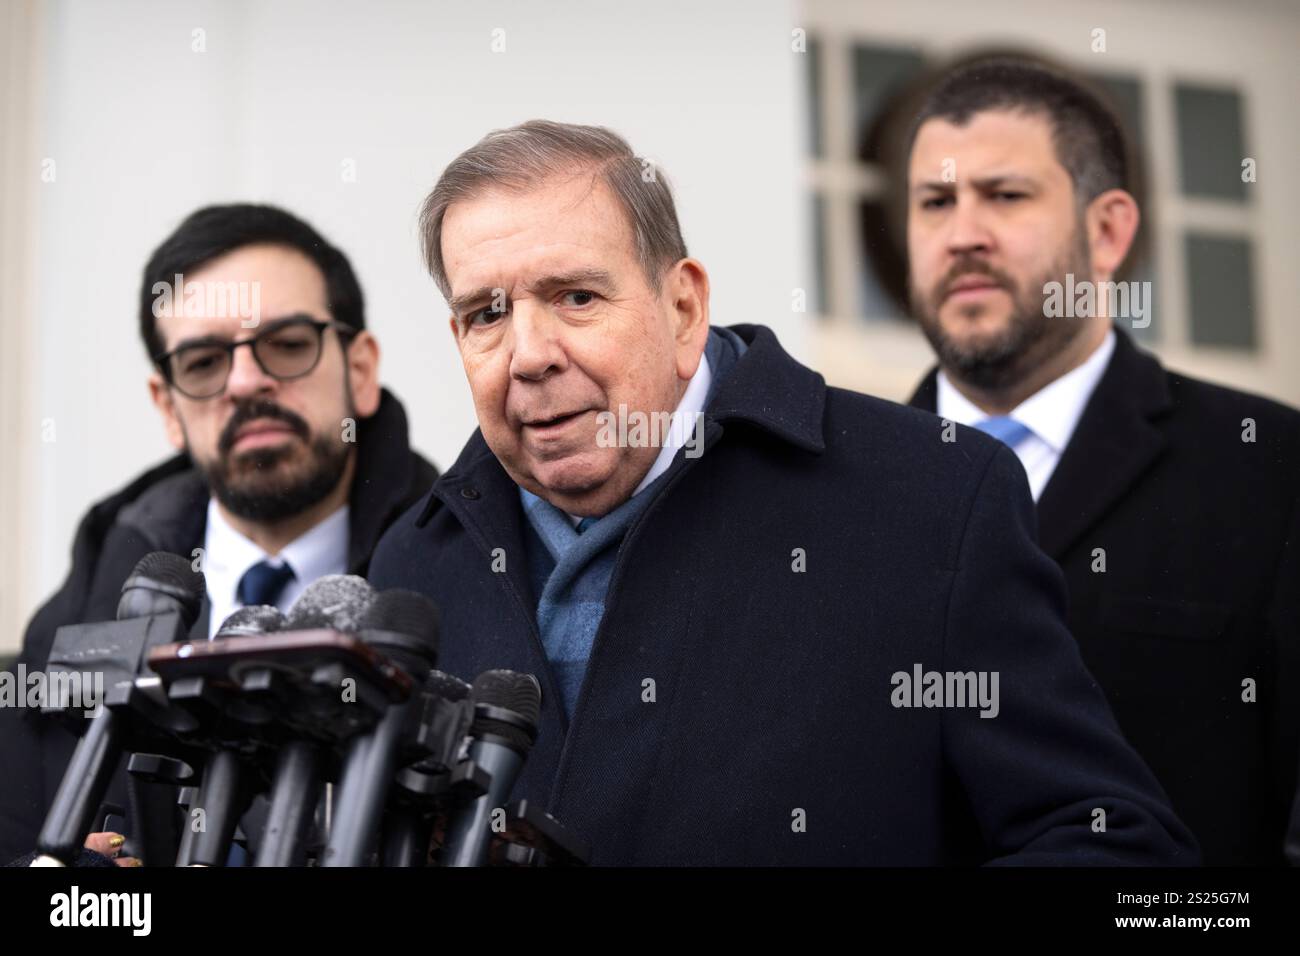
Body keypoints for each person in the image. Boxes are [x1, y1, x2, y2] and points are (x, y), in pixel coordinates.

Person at [367, 120, 1198, 865]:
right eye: (486, 314)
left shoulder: (932, 497)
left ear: (683, 306)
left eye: (575, 297)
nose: (528, 353)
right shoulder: (413, 565)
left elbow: (1113, 843)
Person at [902, 57, 1300, 865]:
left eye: (1005, 196)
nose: (963, 233)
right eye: (935, 202)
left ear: (1110, 229)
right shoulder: (826, 482)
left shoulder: (1273, 470)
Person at [0, 204, 437, 864]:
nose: (245, 381)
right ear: (166, 407)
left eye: (288, 344)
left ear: (361, 370)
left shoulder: (473, 600)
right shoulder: (45, 678)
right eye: (203, 361)